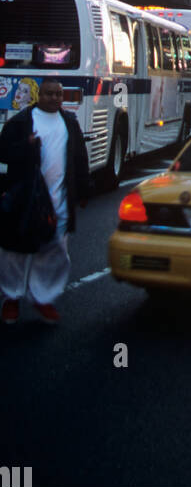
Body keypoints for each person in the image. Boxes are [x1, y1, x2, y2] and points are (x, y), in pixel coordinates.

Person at [0, 77, 91, 325]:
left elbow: (80, 159)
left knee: (55, 250)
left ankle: (43, 298)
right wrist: (25, 146)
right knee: (15, 251)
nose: (55, 98)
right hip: (26, 198)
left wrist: (84, 190)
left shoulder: (70, 122)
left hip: (59, 198)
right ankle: (11, 298)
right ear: (39, 95)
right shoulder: (21, 122)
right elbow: (3, 152)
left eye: (59, 94)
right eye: (50, 94)